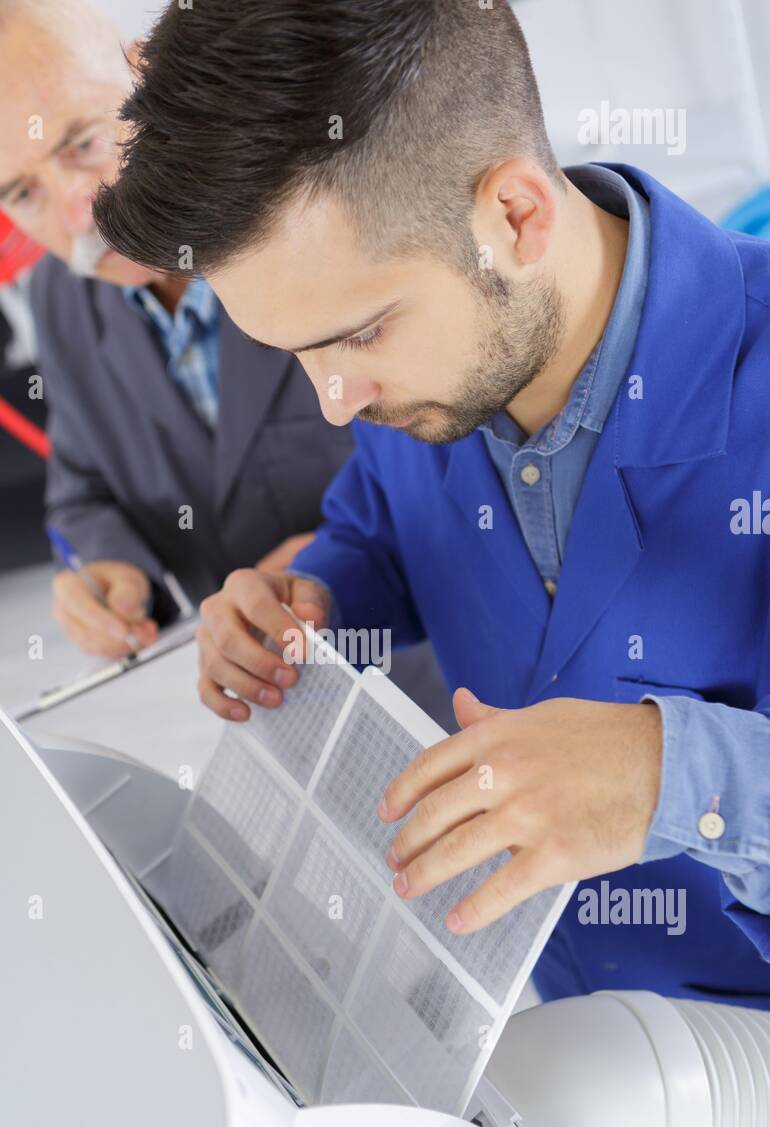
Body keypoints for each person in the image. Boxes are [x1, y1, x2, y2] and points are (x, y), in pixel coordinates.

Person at [93, 0, 770, 1008]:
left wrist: (668, 777)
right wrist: (310, 597)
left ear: (513, 216)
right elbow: (382, 529)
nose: (332, 402)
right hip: (541, 1015)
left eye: (357, 334)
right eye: (297, 353)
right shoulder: (417, 385)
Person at [0, 0, 352, 658]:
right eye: (22, 194)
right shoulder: (60, 299)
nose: (77, 214)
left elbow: (474, 446)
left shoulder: (325, 211)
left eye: (83, 144)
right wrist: (107, 571)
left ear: (146, 72)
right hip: (268, 704)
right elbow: (81, 494)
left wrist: (349, 554)